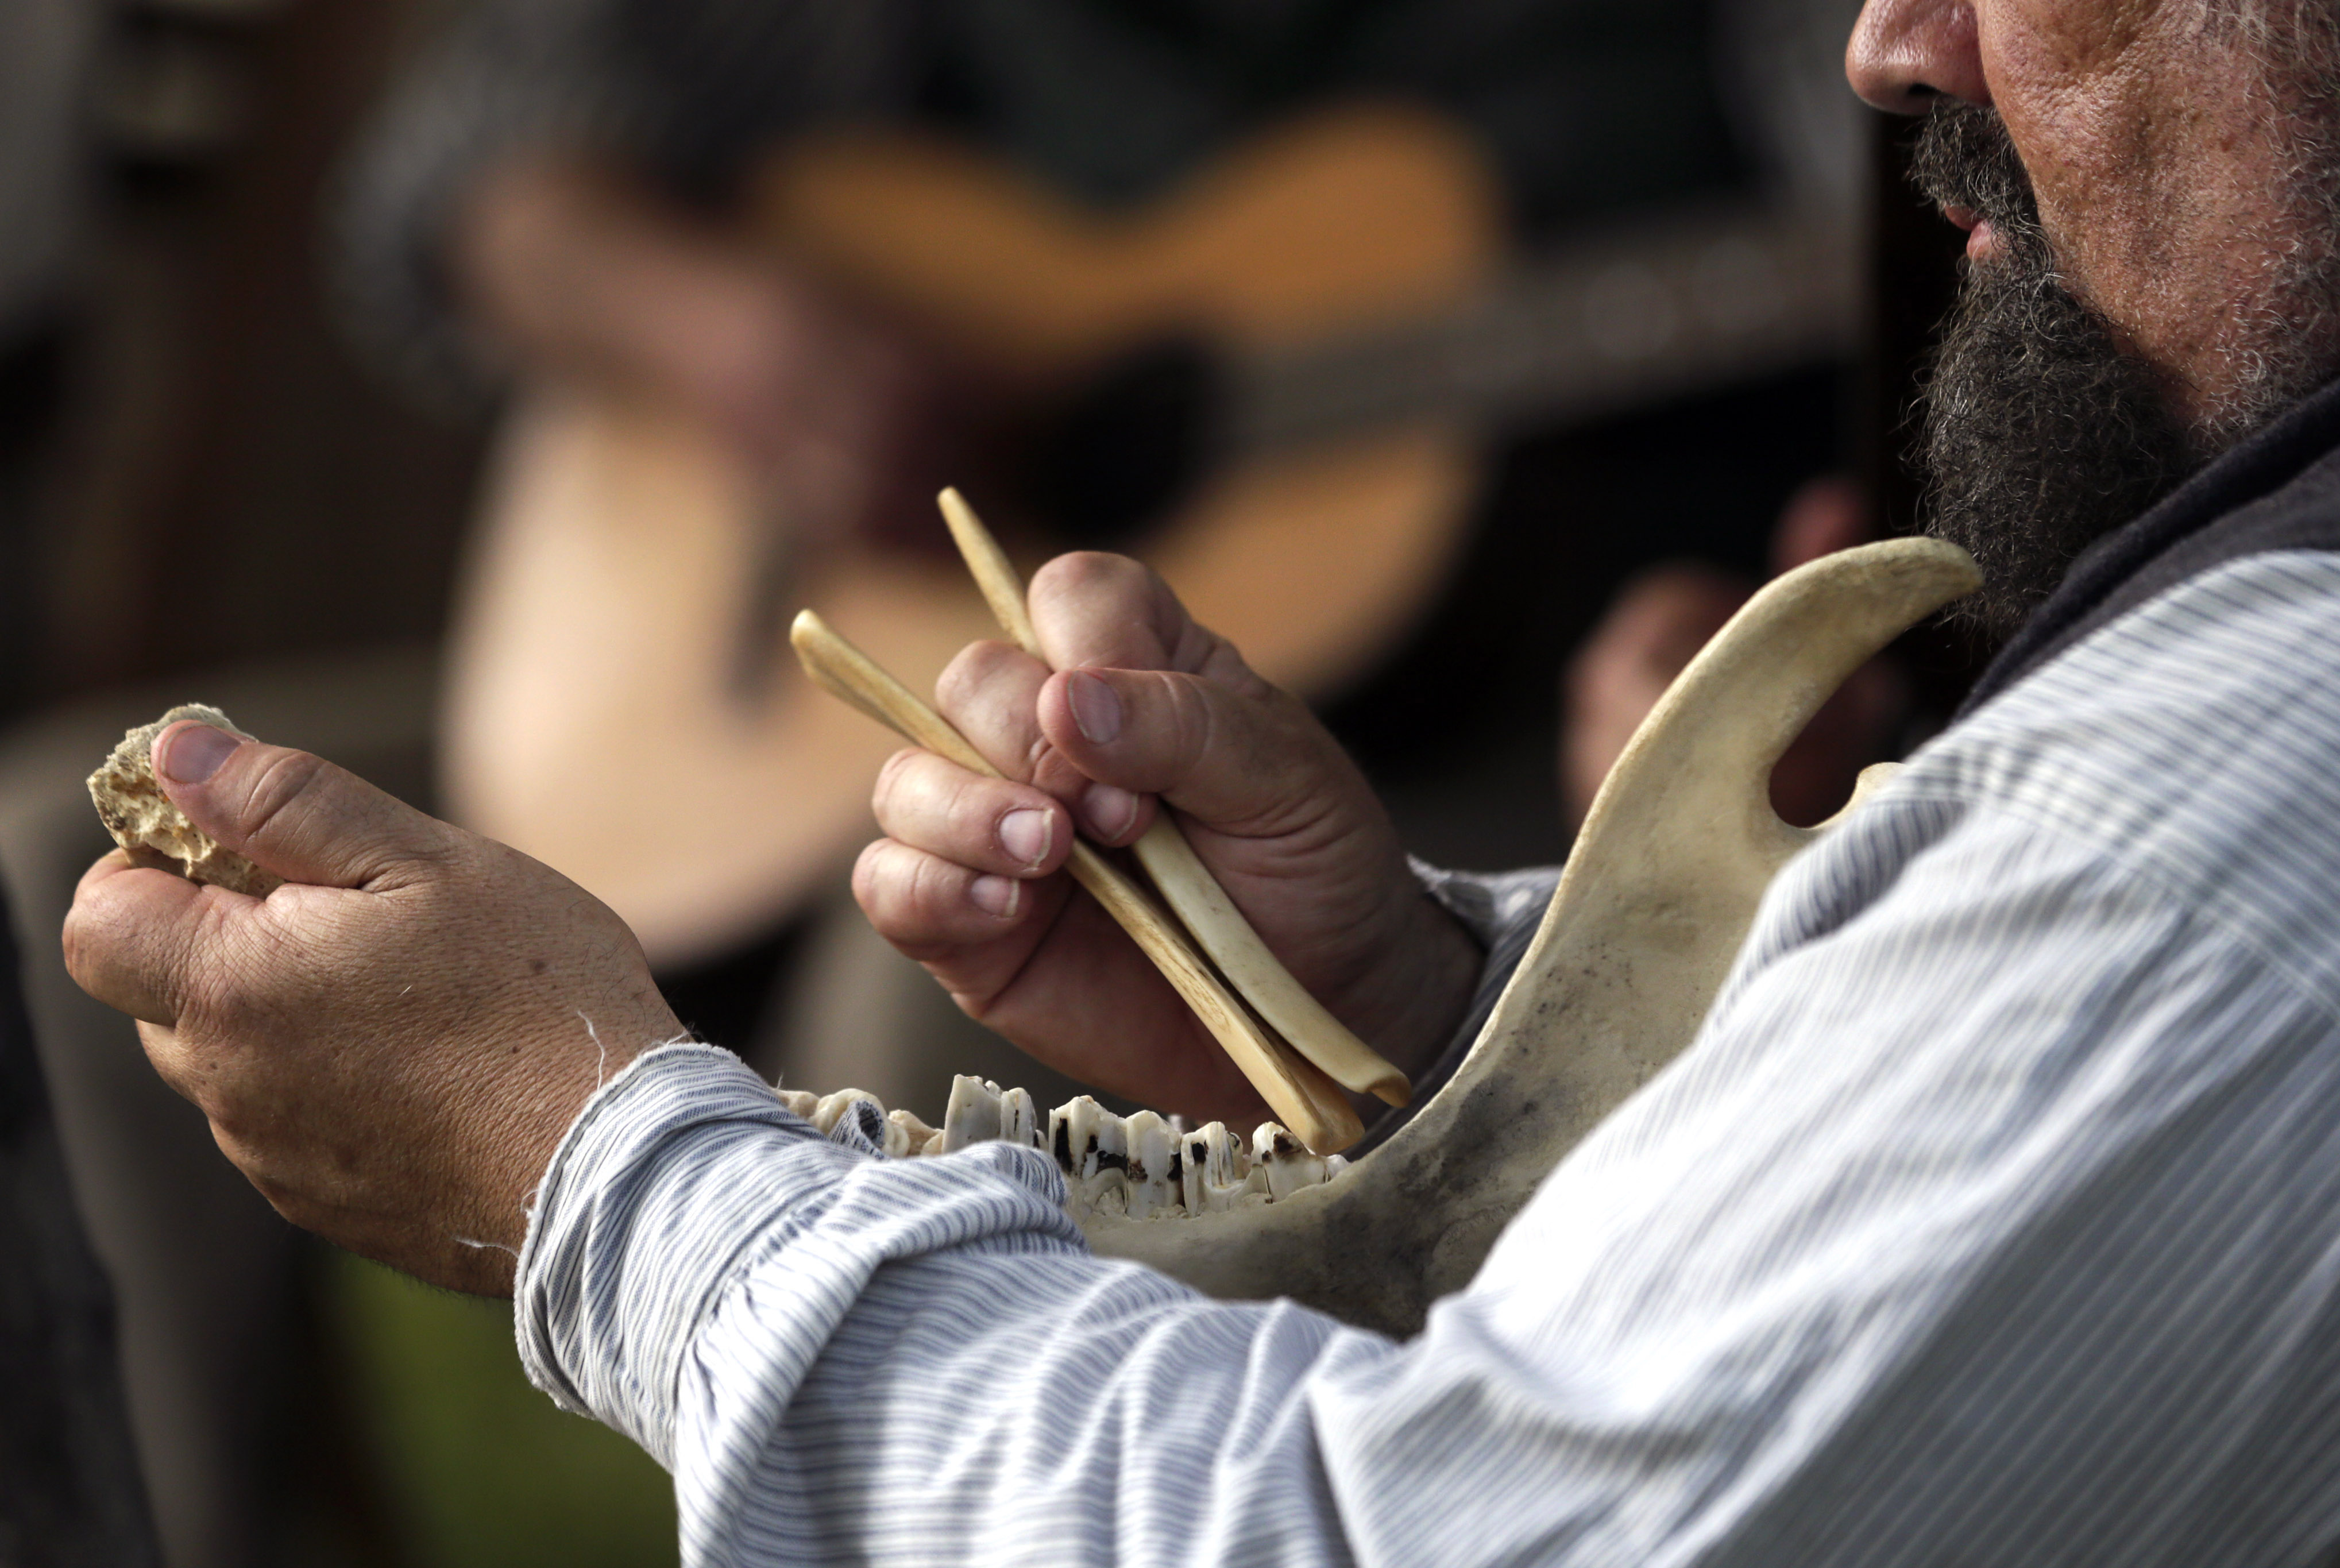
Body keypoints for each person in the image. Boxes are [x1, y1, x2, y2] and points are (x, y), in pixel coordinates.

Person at [63, 0, 2340, 1559]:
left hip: (1509, 632)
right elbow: (459, 181)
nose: (1884, 40)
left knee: (886, 1011)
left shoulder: (2207, 805)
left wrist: (579, 1151)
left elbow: (1351, 1532)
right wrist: (1444, 1022)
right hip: (697, 614)